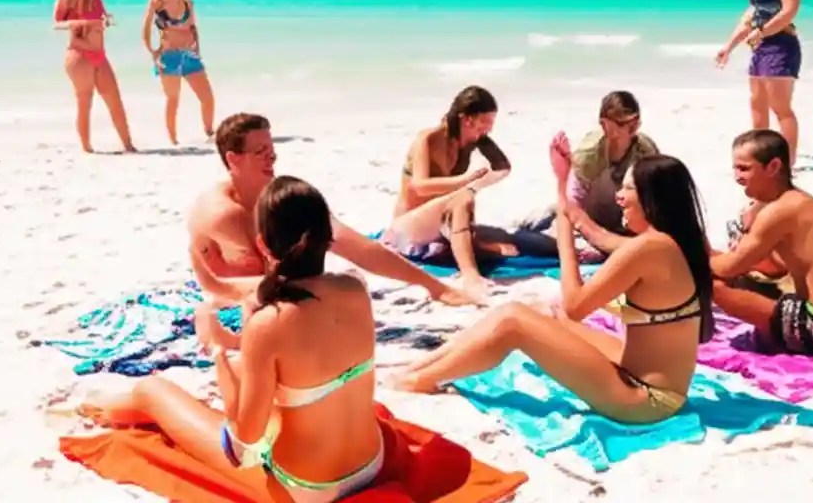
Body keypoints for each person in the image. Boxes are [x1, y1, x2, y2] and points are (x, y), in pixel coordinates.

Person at [85, 176, 386, 502]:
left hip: (308, 488)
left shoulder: (269, 325)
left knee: (152, 391)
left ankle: (84, 409)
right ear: (327, 238)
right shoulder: (354, 289)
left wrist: (217, 350)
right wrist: (221, 290)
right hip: (371, 464)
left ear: (264, 246)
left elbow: (244, 446)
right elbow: (298, 295)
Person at [391, 155, 714, 425]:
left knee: (513, 320)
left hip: (645, 400)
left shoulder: (648, 248)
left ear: (651, 197)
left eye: (628, 188)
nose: (619, 195)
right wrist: (562, 183)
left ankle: (419, 379)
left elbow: (576, 305)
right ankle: (420, 368)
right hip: (647, 379)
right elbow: (600, 239)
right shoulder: (675, 243)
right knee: (545, 313)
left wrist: (565, 241)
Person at [187, 112, 475, 307]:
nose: (272, 157)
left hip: (280, 296)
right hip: (245, 311)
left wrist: (435, 286)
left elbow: (357, 246)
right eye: (260, 151)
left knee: (350, 281)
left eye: (272, 149)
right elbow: (230, 289)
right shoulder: (223, 213)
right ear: (233, 159)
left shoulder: (279, 198)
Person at [711, 130, 813, 355]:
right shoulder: (799, 200)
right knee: (745, 277)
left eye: (744, 168)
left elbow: (729, 267)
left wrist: (696, 253)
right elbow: (775, 266)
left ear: (773, 167)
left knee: (712, 286)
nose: (737, 177)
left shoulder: (778, 212)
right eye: (735, 168)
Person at [382, 86, 513, 297]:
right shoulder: (428, 139)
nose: (488, 130)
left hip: (439, 227)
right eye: (485, 123)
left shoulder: (470, 142)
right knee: (463, 198)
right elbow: (420, 185)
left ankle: (476, 245)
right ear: (466, 119)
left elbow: (504, 167)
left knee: (519, 239)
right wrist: (465, 180)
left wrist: (481, 179)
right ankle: (470, 276)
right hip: (407, 231)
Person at [715, 0, 804, 163]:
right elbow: (751, 15)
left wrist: (762, 32)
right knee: (757, 103)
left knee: (780, 107)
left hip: (781, 44)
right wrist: (729, 47)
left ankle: (790, 160)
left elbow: (790, 10)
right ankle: (762, 155)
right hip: (762, 46)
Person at [534, 91, 659, 259]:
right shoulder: (590, 154)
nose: (633, 129)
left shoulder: (645, 151)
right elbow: (573, 204)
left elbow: (657, 200)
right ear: (604, 124)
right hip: (587, 221)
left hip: (628, 225)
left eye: (634, 124)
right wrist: (594, 234)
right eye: (623, 124)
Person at [53, 0, 135, 153]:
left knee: (115, 100)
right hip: (79, 55)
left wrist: (107, 19)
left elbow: (101, 15)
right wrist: (88, 23)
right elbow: (58, 24)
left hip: (99, 54)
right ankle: (87, 148)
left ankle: (128, 145)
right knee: (85, 102)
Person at [142, 0, 215, 145]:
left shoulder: (187, 0)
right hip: (169, 57)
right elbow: (144, 29)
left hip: (189, 56)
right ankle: (173, 140)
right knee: (173, 99)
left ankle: (209, 132)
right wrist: (153, 52)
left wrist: (197, 46)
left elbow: (192, 26)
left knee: (207, 97)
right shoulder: (156, 4)